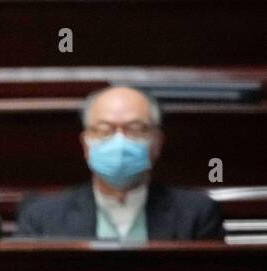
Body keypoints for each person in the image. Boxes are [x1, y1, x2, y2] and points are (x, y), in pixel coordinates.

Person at [16, 86, 224, 240]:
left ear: (157, 143)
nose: (120, 142)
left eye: (135, 128)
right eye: (104, 130)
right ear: (86, 145)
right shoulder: (42, 216)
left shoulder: (197, 213)